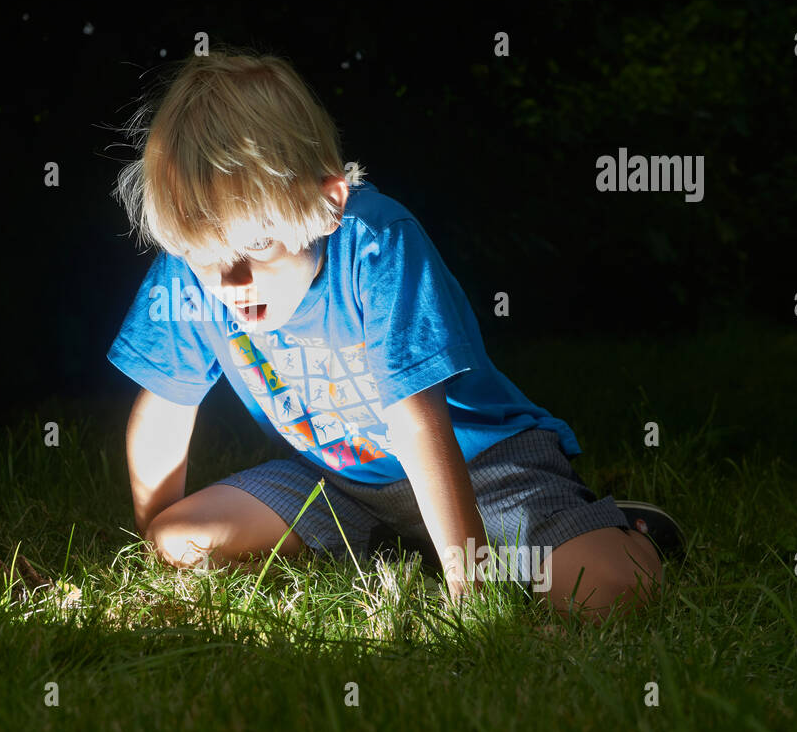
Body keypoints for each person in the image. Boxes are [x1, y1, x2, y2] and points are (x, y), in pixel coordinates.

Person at [106, 47, 684, 623]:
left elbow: (416, 420)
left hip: (479, 462)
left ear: (326, 203)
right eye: (207, 256)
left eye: (257, 247)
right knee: (181, 539)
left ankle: (624, 534)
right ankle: (397, 542)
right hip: (336, 478)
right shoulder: (193, 265)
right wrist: (150, 544)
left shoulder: (377, 244)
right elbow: (164, 408)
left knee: (603, 592)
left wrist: (469, 595)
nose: (231, 282)